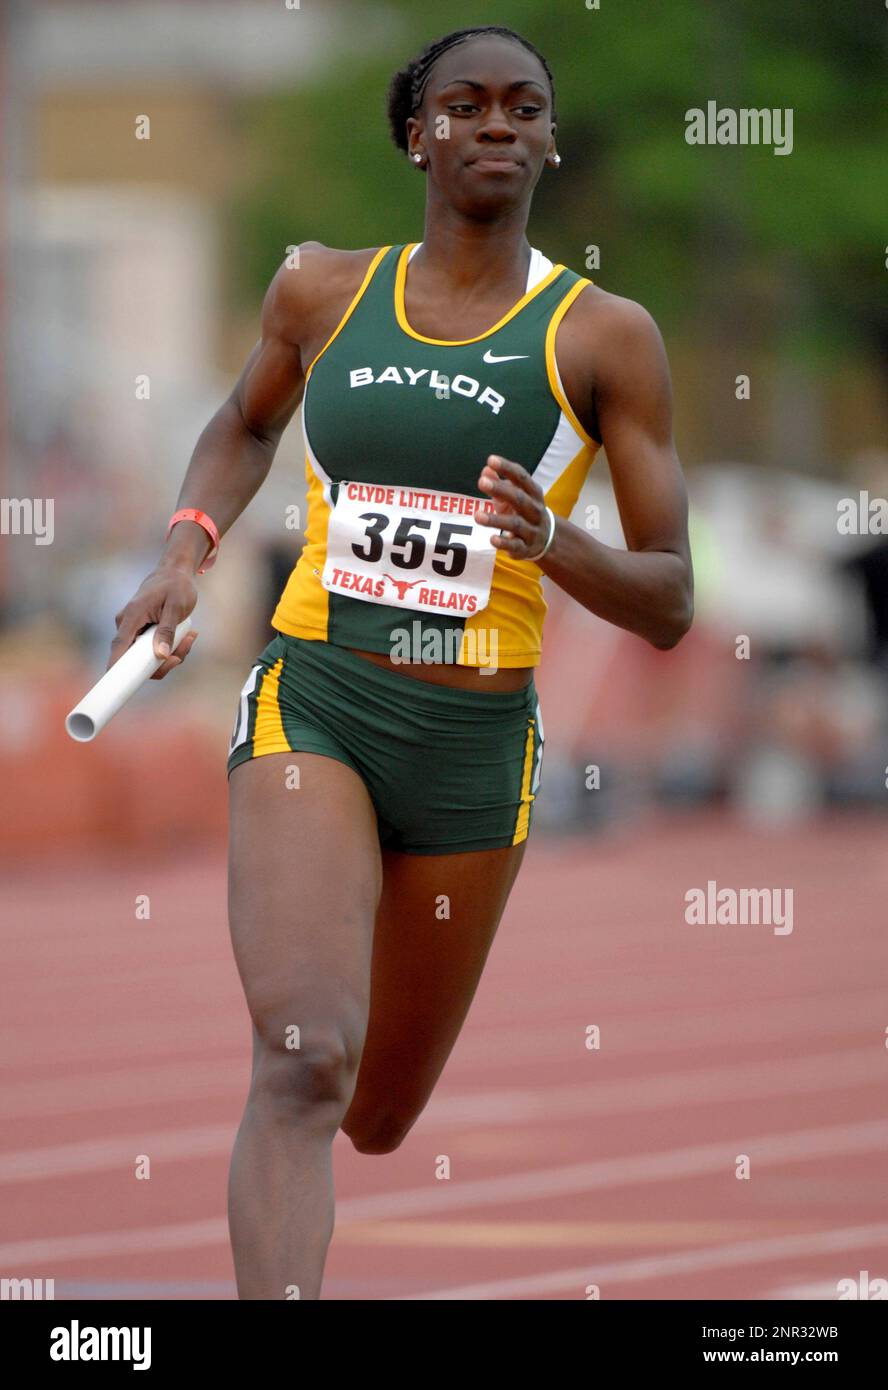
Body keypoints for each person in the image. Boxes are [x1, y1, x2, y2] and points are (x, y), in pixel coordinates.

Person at [106, 25, 693, 1300]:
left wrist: (557, 546)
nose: (496, 124)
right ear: (414, 133)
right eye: (465, 104)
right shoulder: (320, 289)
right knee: (304, 1059)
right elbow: (243, 423)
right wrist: (186, 549)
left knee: (375, 1114)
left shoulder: (604, 338)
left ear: (549, 138)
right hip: (320, 699)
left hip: (477, 748)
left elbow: (670, 598)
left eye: (523, 106)